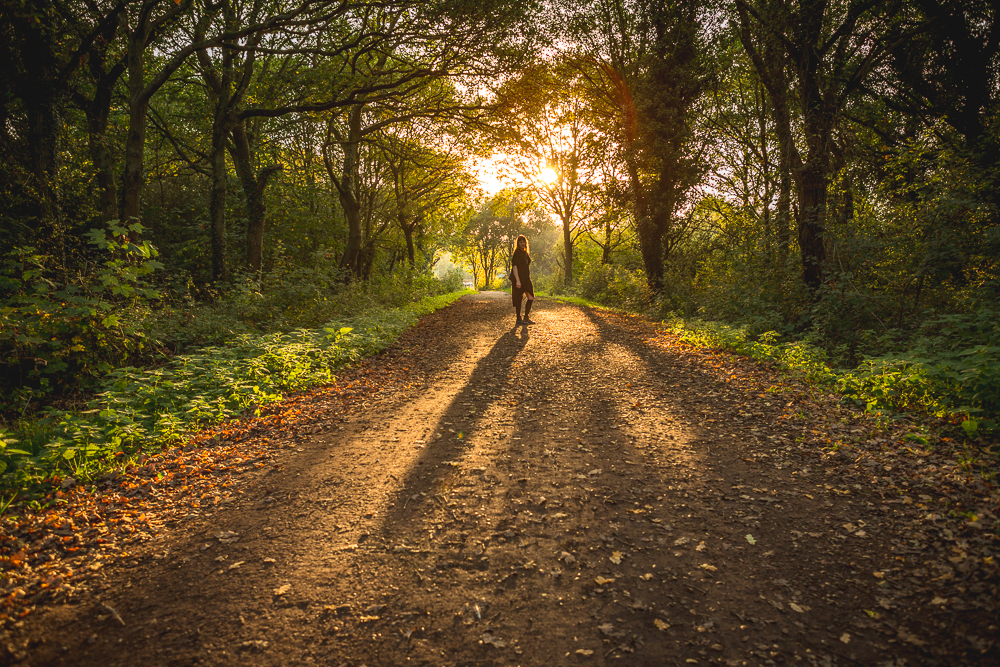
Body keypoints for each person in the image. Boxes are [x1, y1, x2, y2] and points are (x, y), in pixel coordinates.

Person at [511, 234, 535, 325]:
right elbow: (514, 267)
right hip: (519, 279)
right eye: (520, 242)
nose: (522, 244)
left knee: (531, 297)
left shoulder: (525, 253)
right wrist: (517, 280)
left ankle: (526, 317)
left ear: (526, 243)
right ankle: (518, 319)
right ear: (518, 243)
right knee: (518, 298)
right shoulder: (517, 253)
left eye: (523, 242)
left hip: (526, 279)